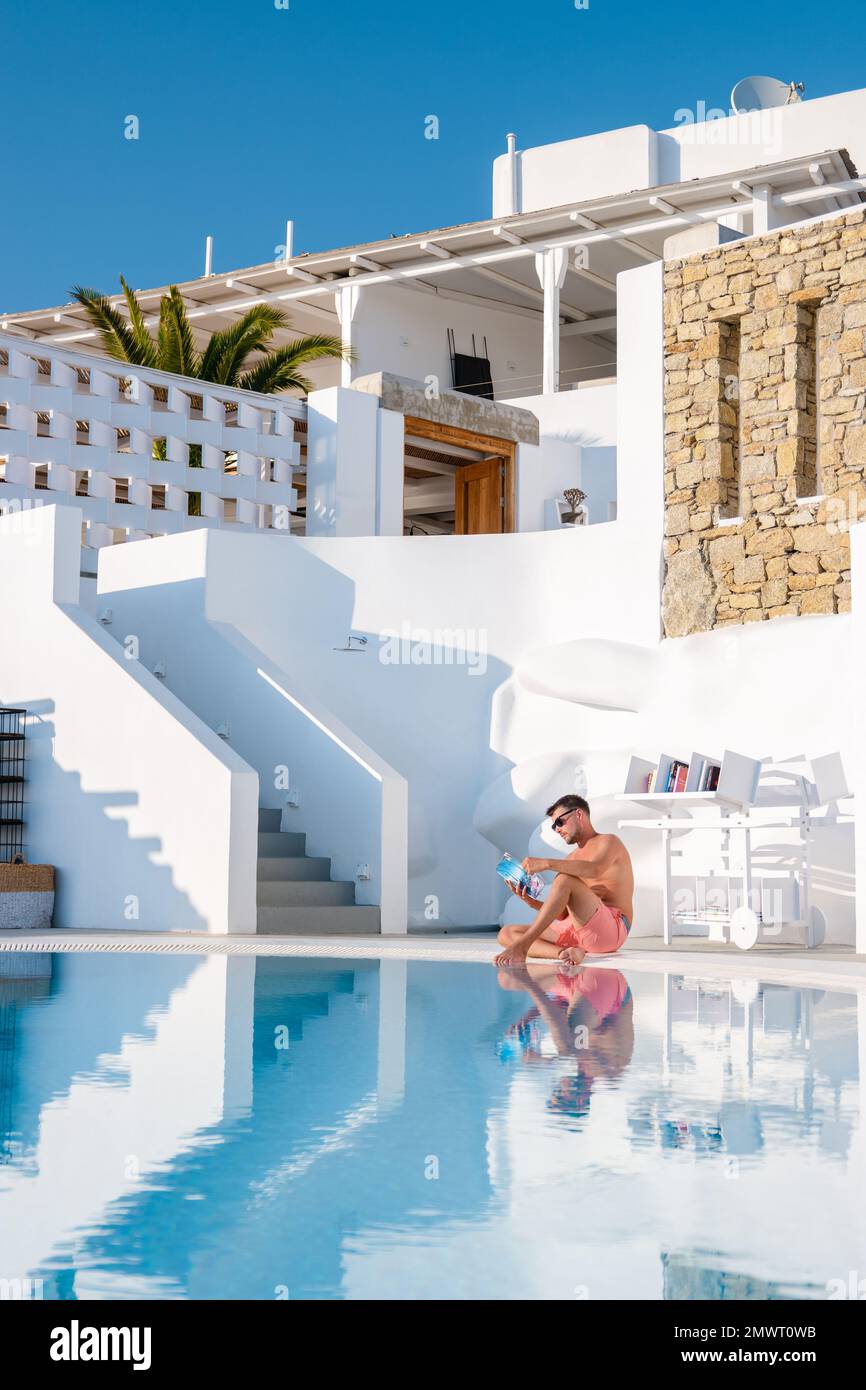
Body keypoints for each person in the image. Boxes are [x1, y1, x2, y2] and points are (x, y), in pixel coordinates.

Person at [493, 793, 633, 967]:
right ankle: (565, 953)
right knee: (506, 933)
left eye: (559, 822)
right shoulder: (570, 858)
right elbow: (563, 914)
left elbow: (595, 869)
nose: (557, 829)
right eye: (554, 827)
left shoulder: (609, 842)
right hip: (576, 930)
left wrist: (546, 863)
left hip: (610, 929)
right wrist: (530, 901)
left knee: (564, 880)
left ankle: (523, 947)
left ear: (579, 814)